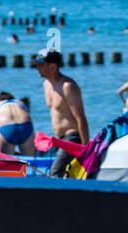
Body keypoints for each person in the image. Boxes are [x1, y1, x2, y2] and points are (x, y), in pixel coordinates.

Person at [34, 49, 88, 177]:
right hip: (59, 139)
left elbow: (80, 118)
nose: (37, 68)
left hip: (73, 138)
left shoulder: (67, 86)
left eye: (40, 65)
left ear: (52, 66)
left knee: (55, 172)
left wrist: (86, 149)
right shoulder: (46, 85)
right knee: (62, 173)